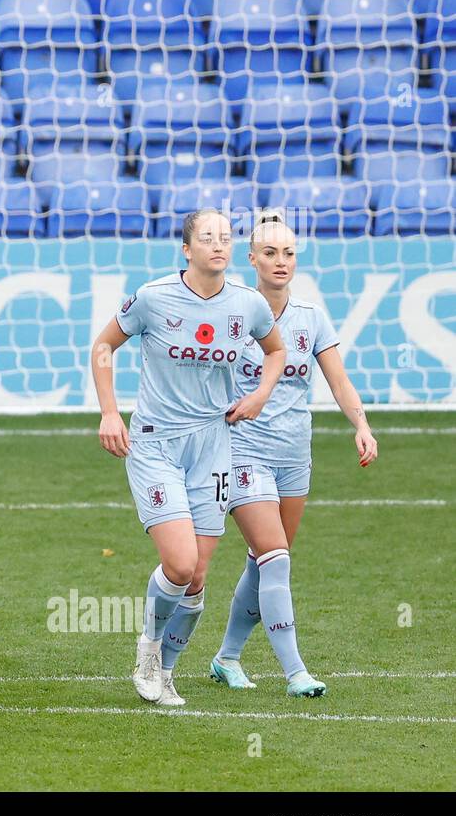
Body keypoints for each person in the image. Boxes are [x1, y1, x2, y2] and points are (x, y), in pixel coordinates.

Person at [90, 208, 286, 707]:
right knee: (178, 564)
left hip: (214, 447)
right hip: (156, 443)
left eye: (225, 237)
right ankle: (148, 650)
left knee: (197, 575)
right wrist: (110, 412)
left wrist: (261, 394)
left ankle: (168, 671)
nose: (218, 245)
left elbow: (276, 351)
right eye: (207, 238)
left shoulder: (247, 304)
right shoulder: (154, 299)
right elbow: (104, 346)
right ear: (187, 248)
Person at [211, 211, 379, 697]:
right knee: (276, 559)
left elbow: (339, 380)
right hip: (242, 451)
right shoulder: (232, 313)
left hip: (293, 456)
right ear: (251, 258)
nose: (280, 261)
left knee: (262, 561)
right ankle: (295, 672)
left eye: (288, 253)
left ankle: (226, 658)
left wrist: (361, 426)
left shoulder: (311, 317)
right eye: (269, 253)